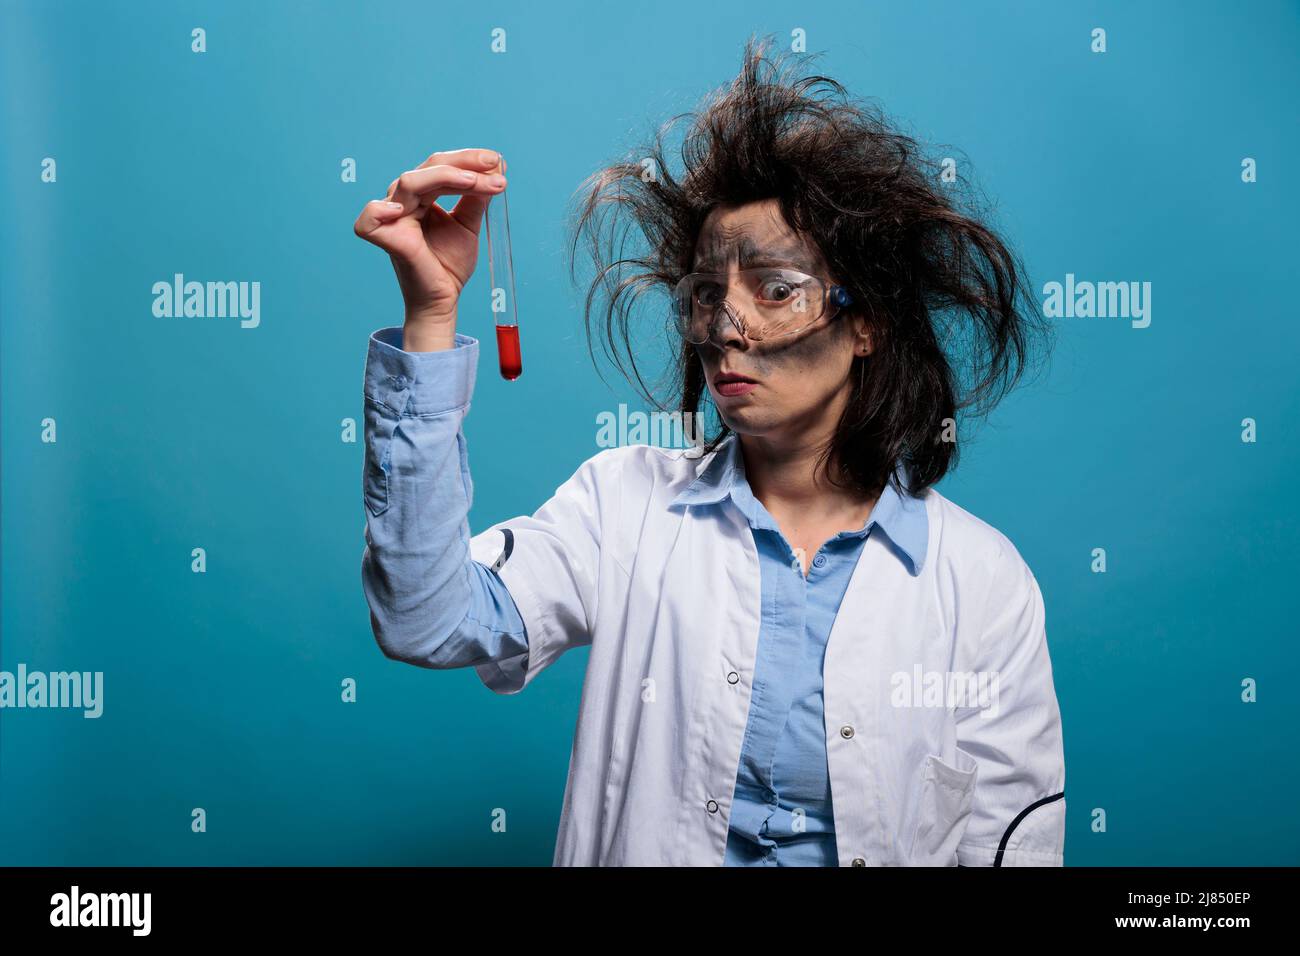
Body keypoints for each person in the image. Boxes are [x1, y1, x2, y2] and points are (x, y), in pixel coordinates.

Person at [353, 36, 1065, 867]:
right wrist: (431, 318)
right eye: (705, 295)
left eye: (774, 290)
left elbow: (1014, 841)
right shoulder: (620, 506)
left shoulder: (984, 583)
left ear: (867, 322)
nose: (727, 327)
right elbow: (421, 620)